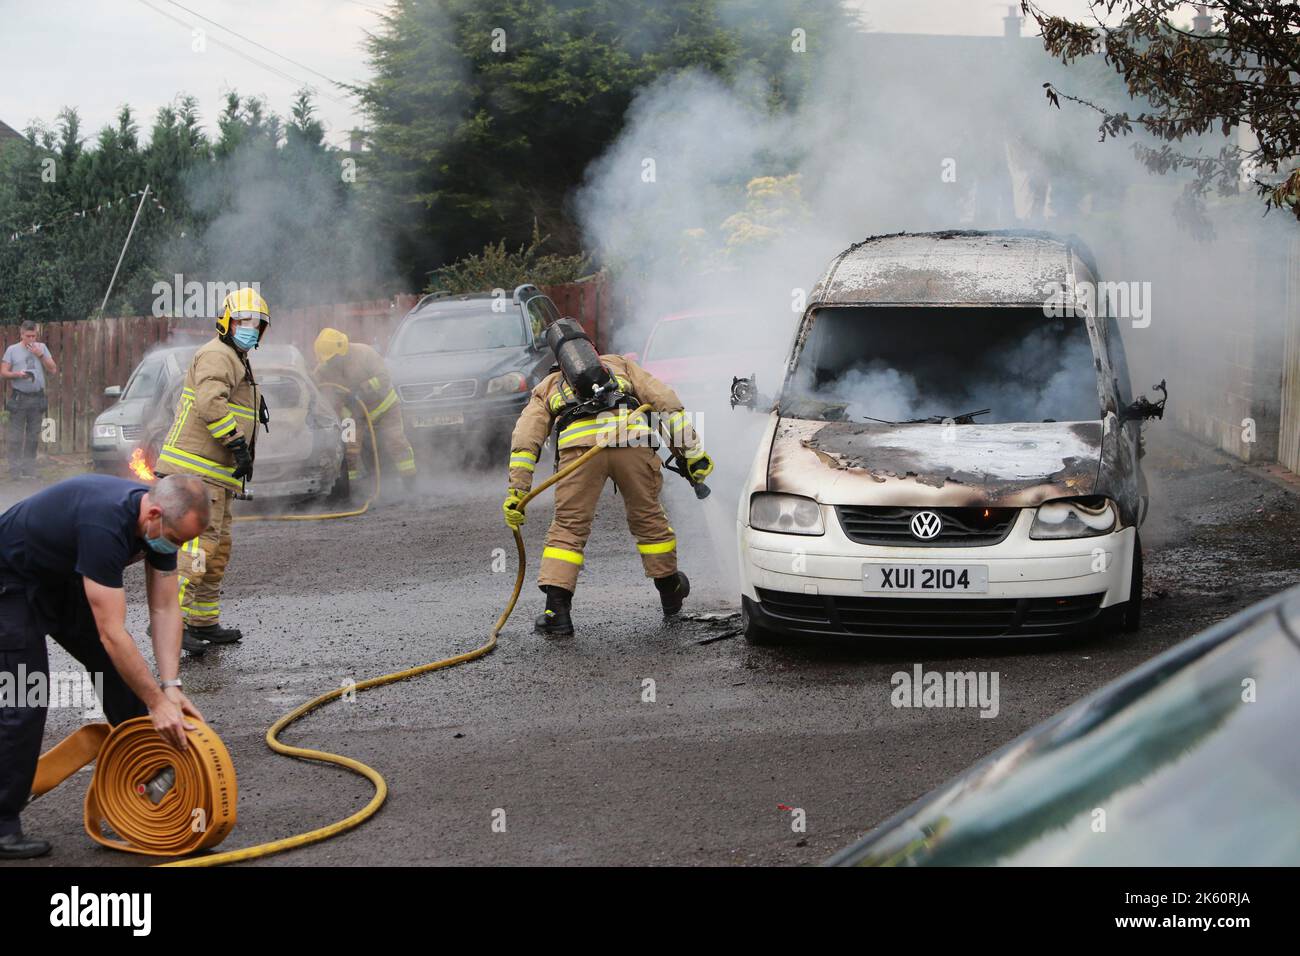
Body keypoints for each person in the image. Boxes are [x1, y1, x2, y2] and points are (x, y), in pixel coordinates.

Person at [0, 473, 210, 859]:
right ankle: (2, 825)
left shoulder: (159, 526)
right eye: (175, 540)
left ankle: (153, 783)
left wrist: (170, 687)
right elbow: (111, 633)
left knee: (121, 676)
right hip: (9, 581)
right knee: (24, 697)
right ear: (155, 513)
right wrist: (157, 702)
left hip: (57, 578)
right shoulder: (104, 524)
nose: (175, 548)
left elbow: (164, 608)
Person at [502, 318, 714, 636]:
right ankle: (671, 593)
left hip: (579, 453)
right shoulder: (621, 366)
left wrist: (518, 491)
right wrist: (692, 454)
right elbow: (666, 402)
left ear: (557, 358)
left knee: (568, 528)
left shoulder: (547, 387)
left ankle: (557, 613)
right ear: (591, 347)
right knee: (649, 519)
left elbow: (525, 439)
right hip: (631, 441)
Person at [153, 288, 269, 655]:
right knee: (197, 548)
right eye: (244, 322)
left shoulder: (236, 357)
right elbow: (210, 404)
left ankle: (203, 620)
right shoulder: (217, 354)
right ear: (227, 321)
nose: (250, 329)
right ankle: (173, 623)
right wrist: (236, 443)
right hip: (195, 474)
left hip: (218, 476)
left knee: (217, 548)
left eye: (257, 324)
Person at [312, 327, 417, 490]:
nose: (330, 362)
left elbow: (384, 377)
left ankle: (410, 482)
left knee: (396, 440)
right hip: (353, 415)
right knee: (348, 450)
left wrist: (362, 389)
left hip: (385, 407)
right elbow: (313, 385)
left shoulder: (364, 353)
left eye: (332, 358)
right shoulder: (325, 367)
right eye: (328, 360)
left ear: (342, 350)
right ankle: (350, 490)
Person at [2, 320, 58, 480]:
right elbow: (3, 372)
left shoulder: (42, 348)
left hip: (37, 398)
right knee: (16, 436)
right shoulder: (12, 350)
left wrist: (40, 354)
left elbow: (53, 369)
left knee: (33, 436)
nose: (31, 339)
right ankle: (14, 470)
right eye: (28, 336)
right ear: (21, 335)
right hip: (19, 398)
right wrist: (17, 374)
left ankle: (29, 468)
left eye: (34, 335)